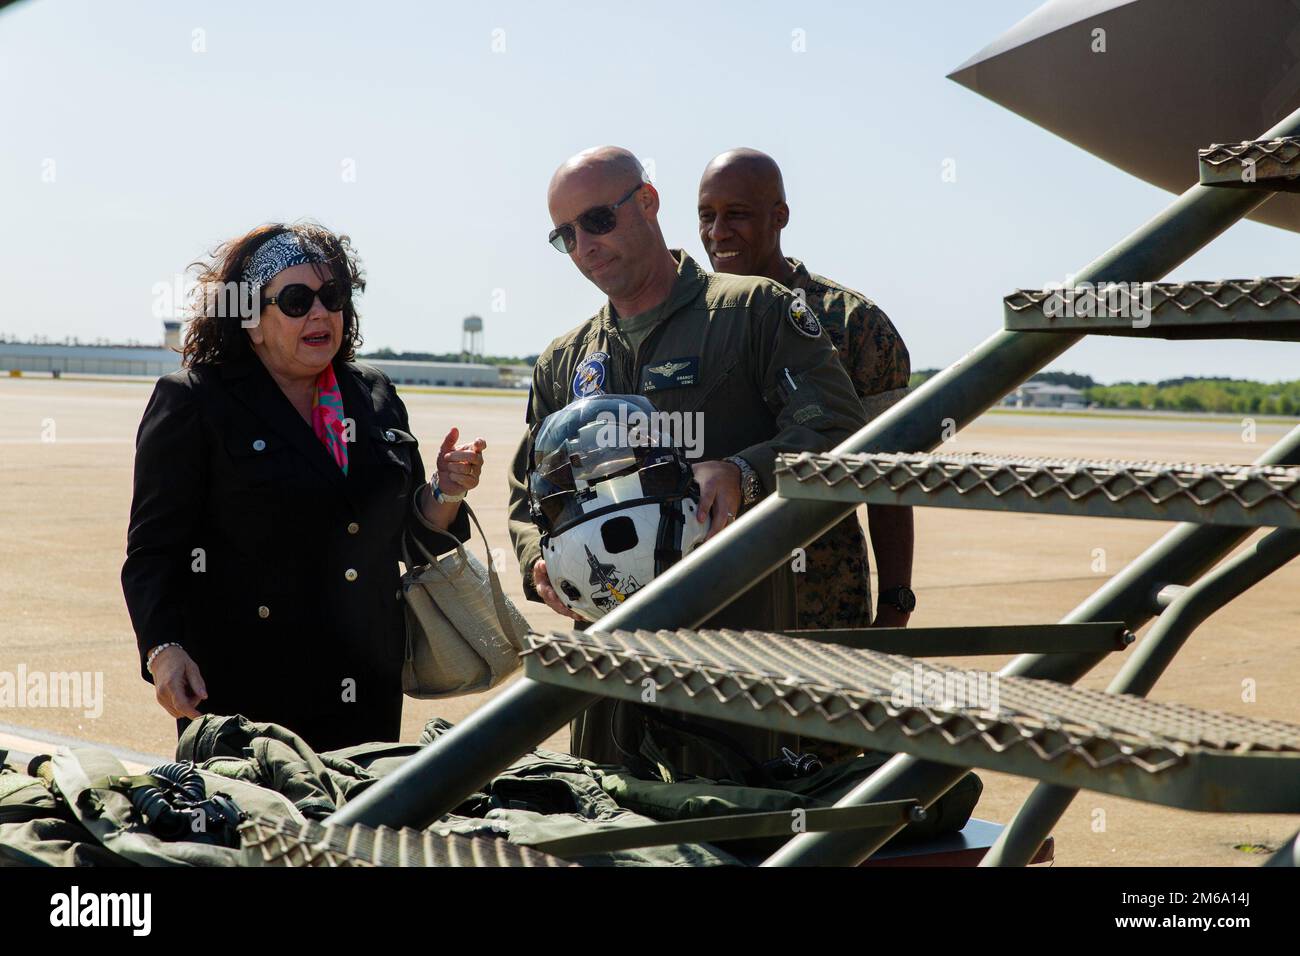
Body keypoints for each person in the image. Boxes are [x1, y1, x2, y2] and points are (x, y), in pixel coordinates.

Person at [507, 146, 868, 781]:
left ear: (647, 203)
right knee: (608, 827)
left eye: (596, 220)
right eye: (564, 235)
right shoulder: (564, 360)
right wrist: (539, 555)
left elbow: (837, 430)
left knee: (734, 827)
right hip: (609, 655)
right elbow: (527, 489)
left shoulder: (754, 312)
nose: (584, 246)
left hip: (733, 653)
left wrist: (745, 472)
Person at [121, 222, 487, 751]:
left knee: (357, 828)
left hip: (364, 684)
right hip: (245, 689)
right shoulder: (195, 402)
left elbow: (410, 538)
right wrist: (163, 650)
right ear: (251, 320)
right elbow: (153, 551)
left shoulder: (374, 394)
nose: (320, 313)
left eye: (332, 296)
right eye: (296, 300)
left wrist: (447, 491)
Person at [698, 148, 915, 635]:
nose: (717, 233)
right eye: (706, 216)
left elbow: (890, 480)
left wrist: (896, 604)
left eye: (737, 215)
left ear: (780, 216)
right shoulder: (688, 322)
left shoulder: (854, 324)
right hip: (705, 600)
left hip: (820, 601)